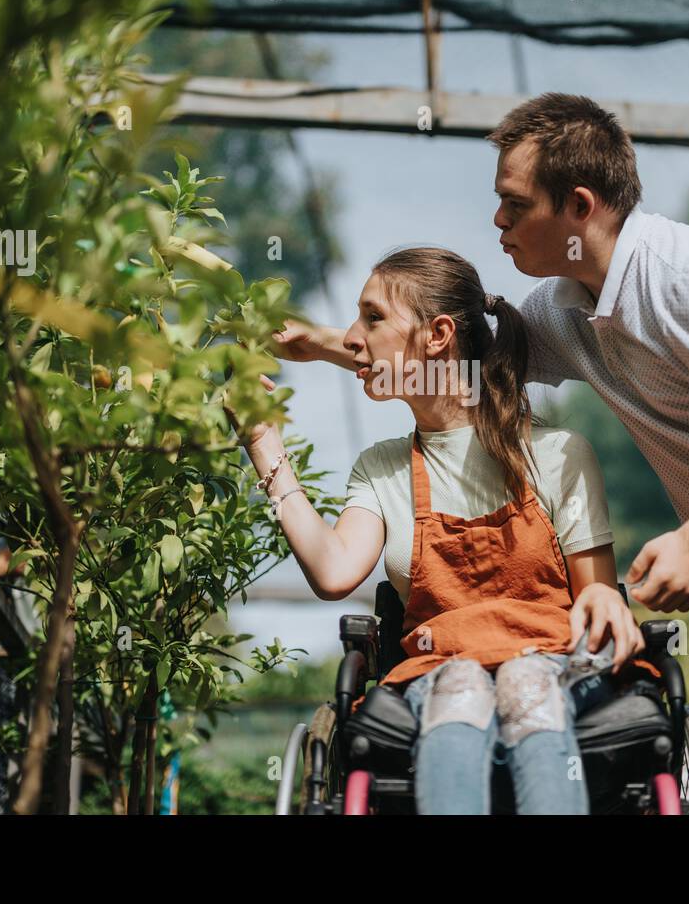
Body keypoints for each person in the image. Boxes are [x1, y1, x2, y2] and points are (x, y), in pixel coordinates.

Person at [273, 93, 689, 814]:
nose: (496, 222)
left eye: (512, 204)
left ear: (577, 205)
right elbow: (449, 360)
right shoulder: (565, 308)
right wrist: (319, 343)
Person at [236, 246, 645, 815]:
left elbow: (596, 595)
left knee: (525, 679)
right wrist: (264, 444)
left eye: (372, 317)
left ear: (438, 335)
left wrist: (607, 600)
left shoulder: (557, 456)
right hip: (438, 667)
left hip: (553, 665)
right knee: (461, 685)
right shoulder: (382, 469)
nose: (354, 336)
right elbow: (332, 571)